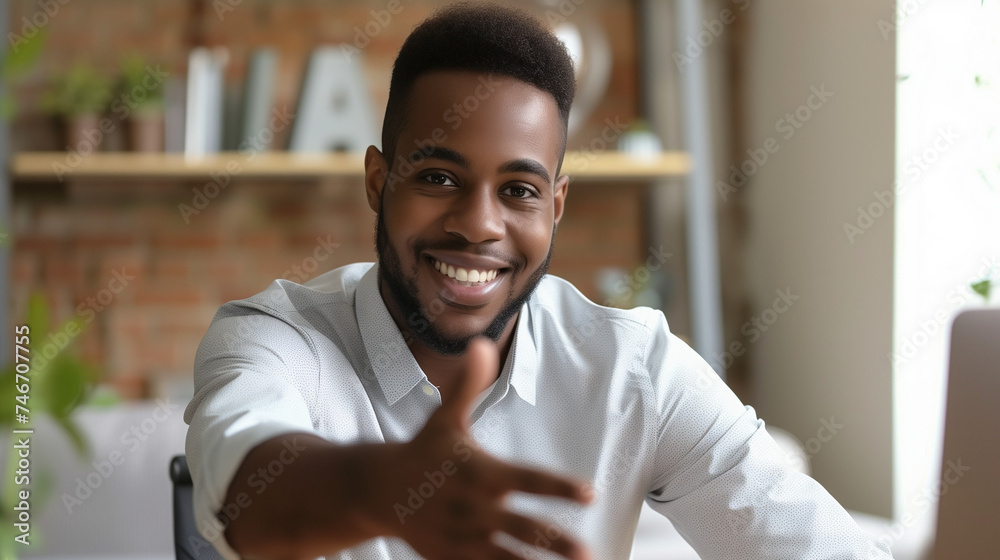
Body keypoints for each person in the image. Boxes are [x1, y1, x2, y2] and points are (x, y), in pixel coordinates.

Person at [183, 3, 894, 559]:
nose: (477, 225)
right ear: (379, 180)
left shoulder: (634, 369)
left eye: (519, 190)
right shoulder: (277, 338)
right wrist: (382, 490)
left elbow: (806, 541)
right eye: (438, 177)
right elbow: (244, 487)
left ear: (555, 206)